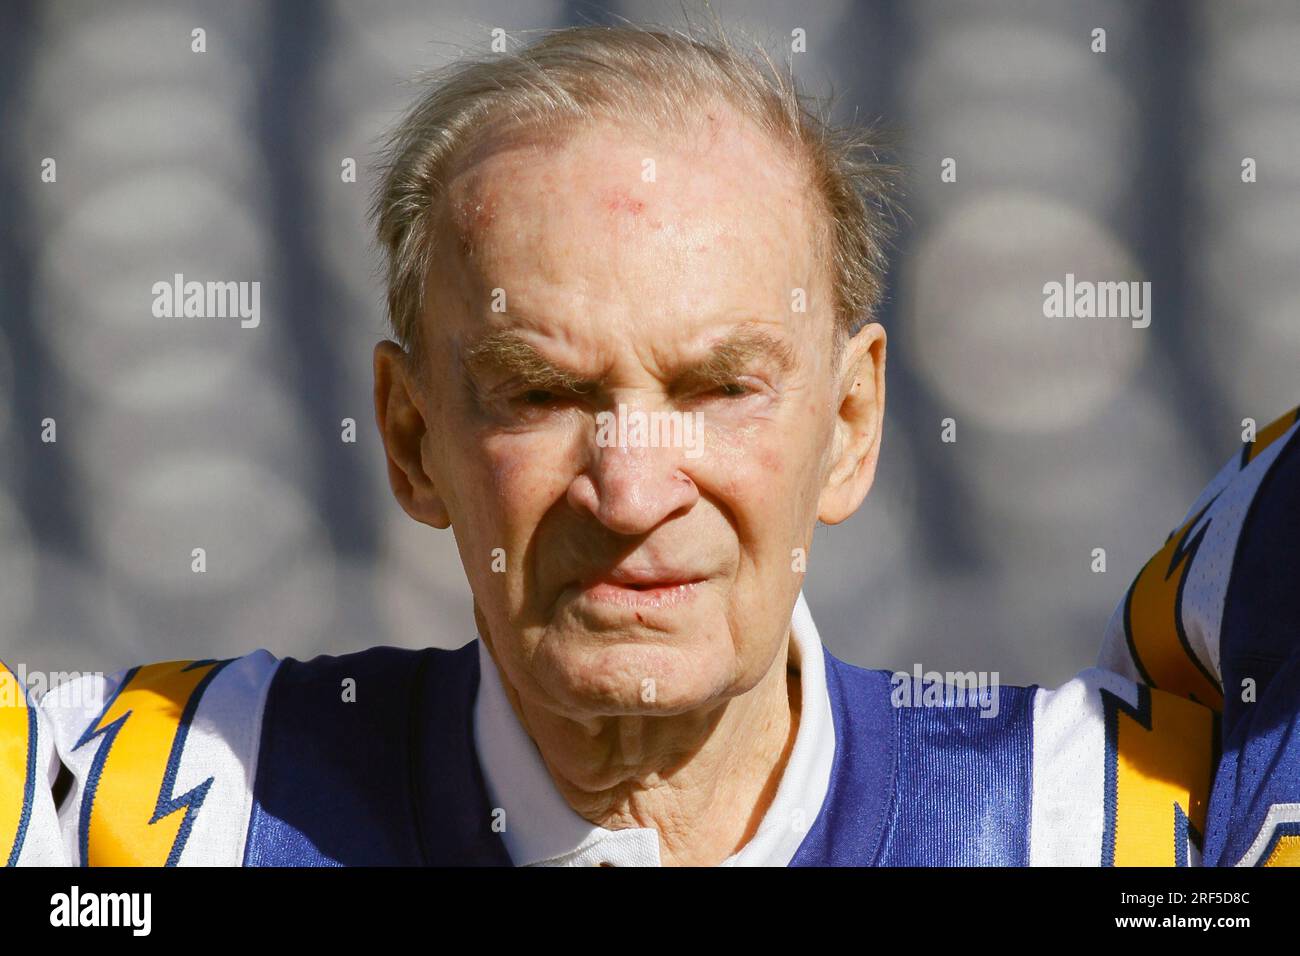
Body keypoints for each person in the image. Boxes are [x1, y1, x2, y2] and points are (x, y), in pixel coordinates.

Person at [6, 23, 1298, 867]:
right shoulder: (136, 817)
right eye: (543, 391)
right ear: (408, 439)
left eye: (717, 387)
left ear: (850, 426)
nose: (630, 487)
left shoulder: (1121, 835)